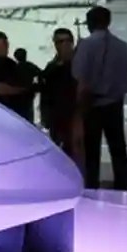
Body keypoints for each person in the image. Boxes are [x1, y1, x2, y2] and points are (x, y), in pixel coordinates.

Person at [72, 6, 127, 190]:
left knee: (92, 149)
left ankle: (91, 186)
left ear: (90, 23)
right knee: (118, 147)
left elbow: (79, 76)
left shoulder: (86, 45)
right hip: (114, 103)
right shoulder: (122, 46)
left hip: (92, 103)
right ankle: (122, 185)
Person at [39, 28, 78, 156]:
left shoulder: (79, 65)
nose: (63, 45)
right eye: (59, 42)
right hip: (57, 118)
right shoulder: (51, 67)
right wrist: (45, 116)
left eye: (66, 41)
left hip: (76, 116)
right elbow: (46, 93)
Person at [0, 31, 33, 121]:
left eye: (6, 43)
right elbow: (0, 89)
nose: (6, 47)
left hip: (19, 111)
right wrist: (23, 90)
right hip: (5, 111)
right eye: (2, 44)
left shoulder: (12, 64)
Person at [13, 47, 42, 121]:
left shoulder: (15, 68)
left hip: (21, 94)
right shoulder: (29, 66)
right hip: (26, 93)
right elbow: (41, 74)